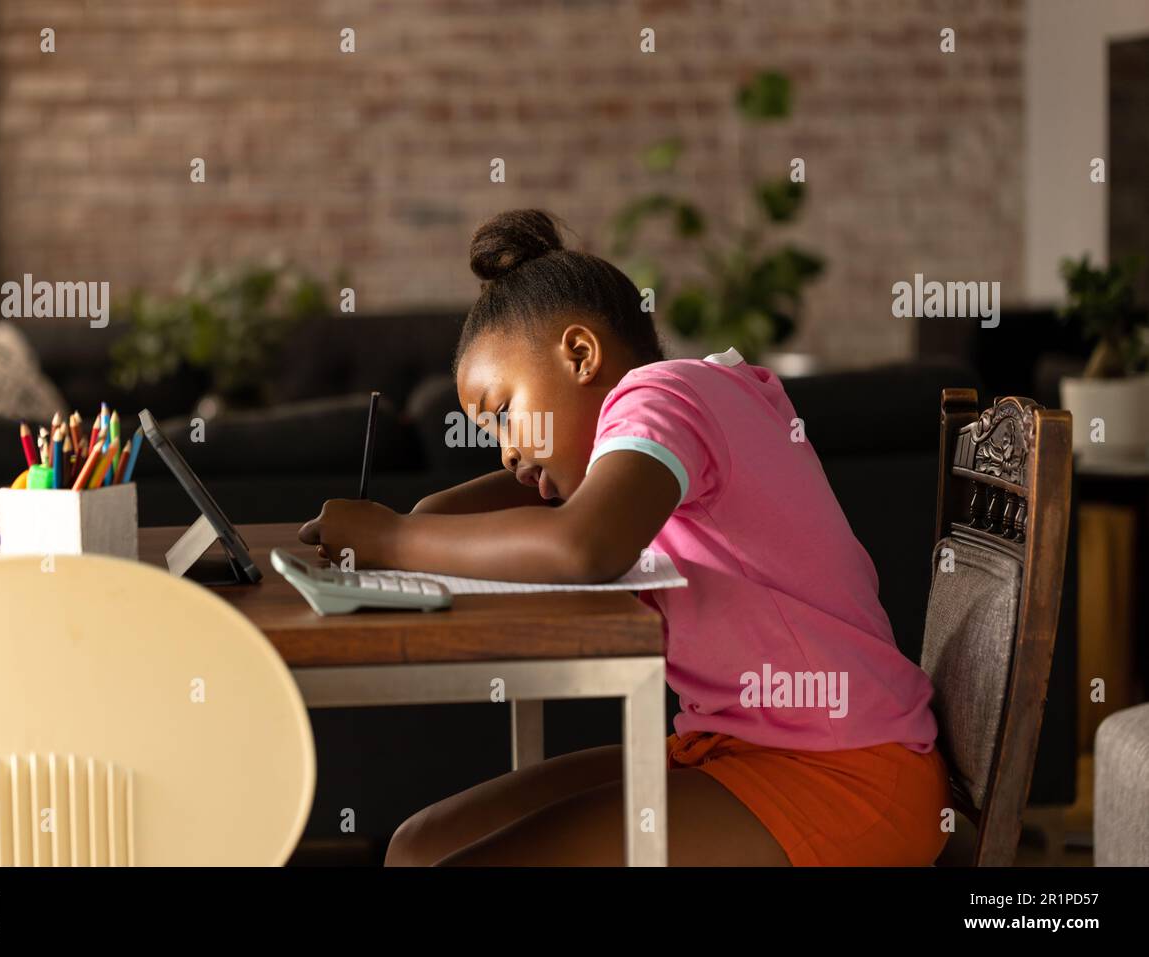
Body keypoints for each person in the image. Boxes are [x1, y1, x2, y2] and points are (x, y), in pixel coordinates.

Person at [299, 209, 951, 866]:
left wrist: (392, 539)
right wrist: (407, 524)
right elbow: (460, 514)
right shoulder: (652, 450)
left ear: (580, 354)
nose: (501, 451)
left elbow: (584, 547)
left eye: (502, 412)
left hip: (846, 774)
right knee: (419, 846)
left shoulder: (665, 394)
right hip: (733, 749)